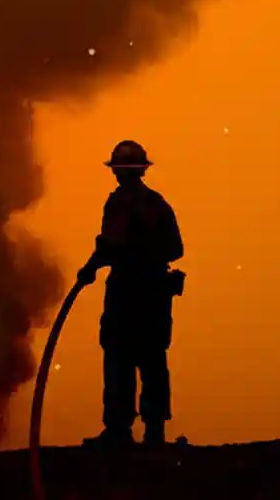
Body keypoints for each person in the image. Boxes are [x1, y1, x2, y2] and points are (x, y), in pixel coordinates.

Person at [76, 139, 185, 450]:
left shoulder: (120, 203)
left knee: (119, 356)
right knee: (152, 358)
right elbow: (176, 249)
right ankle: (154, 432)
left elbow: (110, 244)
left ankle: (118, 430)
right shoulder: (158, 203)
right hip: (154, 294)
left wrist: (90, 269)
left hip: (127, 292)